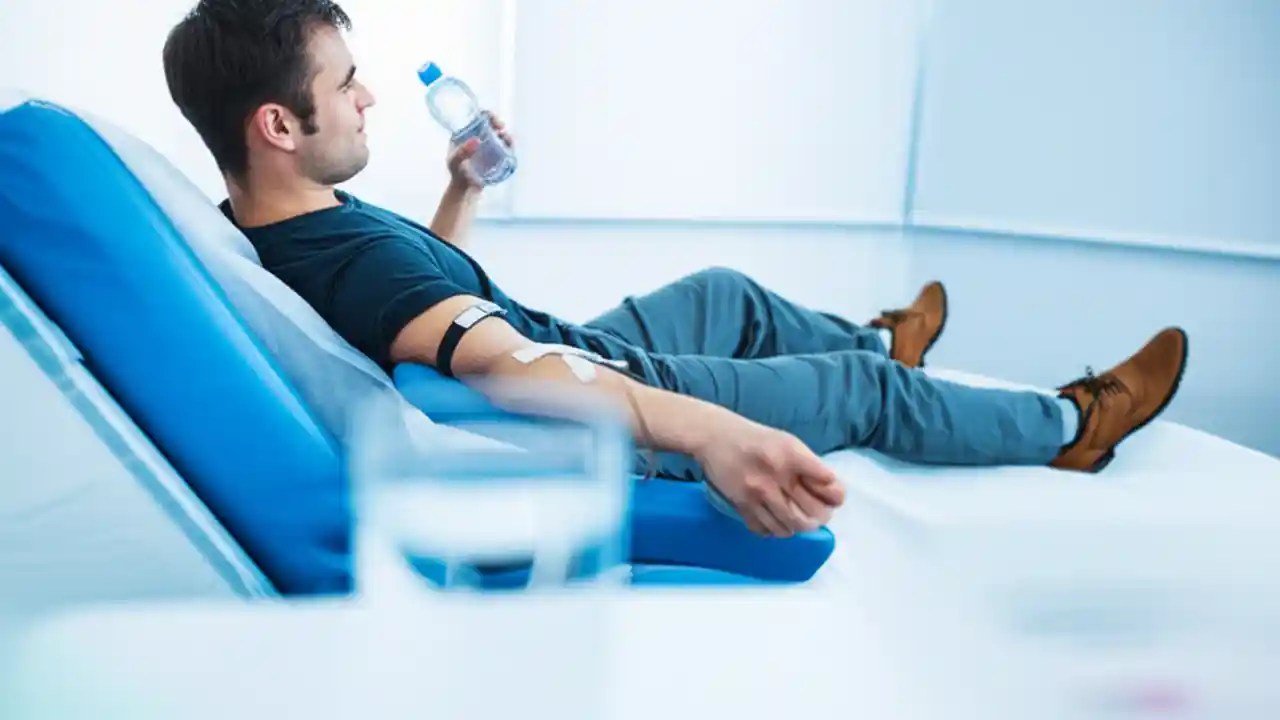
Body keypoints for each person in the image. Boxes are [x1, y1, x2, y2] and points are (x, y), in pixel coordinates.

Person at [162, 0, 1189, 538]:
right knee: (857, 396)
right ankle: (1068, 426)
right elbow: (493, 363)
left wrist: (461, 190)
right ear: (277, 124)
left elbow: (435, 299)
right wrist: (712, 430)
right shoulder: (329, 254)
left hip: (564, 338)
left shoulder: (291, 220)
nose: (369, 99)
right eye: (346, 86)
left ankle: (884, 337)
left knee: (723, 295)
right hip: (590, 392)